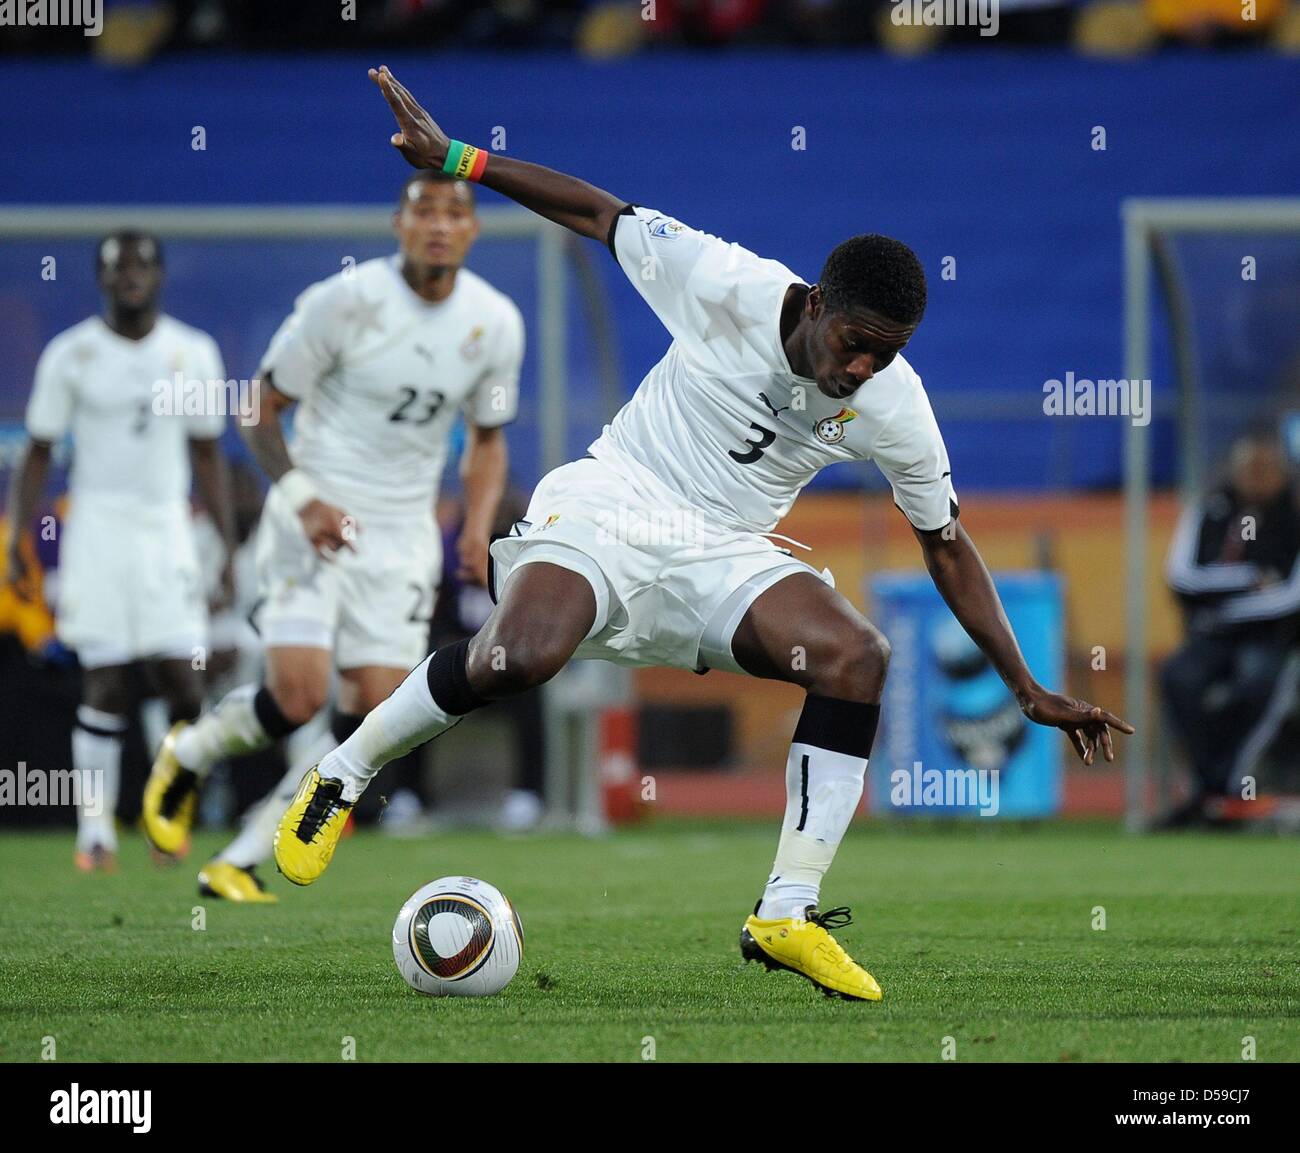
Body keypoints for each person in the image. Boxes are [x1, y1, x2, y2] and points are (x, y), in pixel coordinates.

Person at [275, 65, 1132, 1002]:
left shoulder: (894, 403)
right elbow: (602, 214)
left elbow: (945, 542)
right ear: (815, 304)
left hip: (724, 550)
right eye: (853, 339)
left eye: (885, 352)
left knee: (856, 655)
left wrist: (1026, 685)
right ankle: (342, 771)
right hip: (614, 499)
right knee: (516, 657)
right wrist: (460, 159)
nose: (861, 364)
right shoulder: (723, 284)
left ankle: (785, 914)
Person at [140, 171, 524, 902]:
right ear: (398, 225)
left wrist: (474, 527)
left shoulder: (495, 323)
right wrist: (304, 500)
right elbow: (258, 406)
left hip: (403, 535)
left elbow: (488, 437)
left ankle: (243, 856)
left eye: (455, 212)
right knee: (295, 694)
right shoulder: (343, 303)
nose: (439, 225)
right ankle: (188, 750)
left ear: (472, 230)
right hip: (312, 515)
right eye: (424, 212)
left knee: (371, 716)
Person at [4, 232, 233, 872]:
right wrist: (19, 536)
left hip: (167, 530)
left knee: (182, 683)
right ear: (100, 280)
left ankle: (168, 810)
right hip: (97, 529)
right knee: (103, 680)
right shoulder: (71, 355)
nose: (129, 275)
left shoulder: (194, 351)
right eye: (116, 267)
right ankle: (95, 833)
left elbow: (208, 453)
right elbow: (39, 450)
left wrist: (229, 548)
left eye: (140, 265)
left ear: (159, 275)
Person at [1161, 430, 1300, 826]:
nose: (1256, 476)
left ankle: (1227, 787)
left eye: (1266, 468)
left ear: (1282, 472)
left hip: (1272, 637)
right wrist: (1247, 578)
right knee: (1179, 677)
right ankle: (1212, 788)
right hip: (1211, 636)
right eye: (1248, 468)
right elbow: (1181, 579)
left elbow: (1291, 596)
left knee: (1256, 682)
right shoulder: (1208, 510)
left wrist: (1222, 602)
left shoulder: (1293, 517)